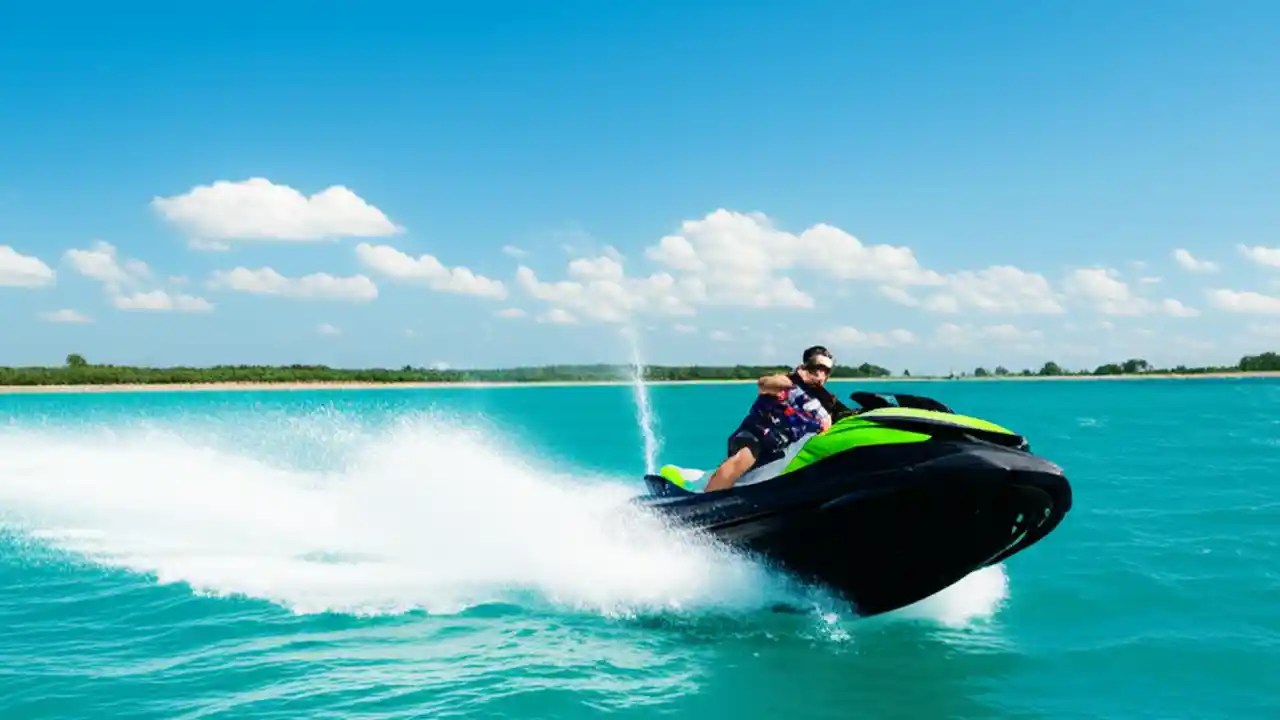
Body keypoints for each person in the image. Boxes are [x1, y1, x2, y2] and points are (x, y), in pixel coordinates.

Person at [703, 350, 837, 493]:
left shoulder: (823, 404)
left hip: (778, 450)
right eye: (818, 368)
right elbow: (763, 384)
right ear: (806, 367)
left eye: (826, 371)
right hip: (753, 436)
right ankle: (706, 498)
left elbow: (827, 426)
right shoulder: (786, 383)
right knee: (748, 454)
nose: (821, 374)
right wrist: (794, 380)